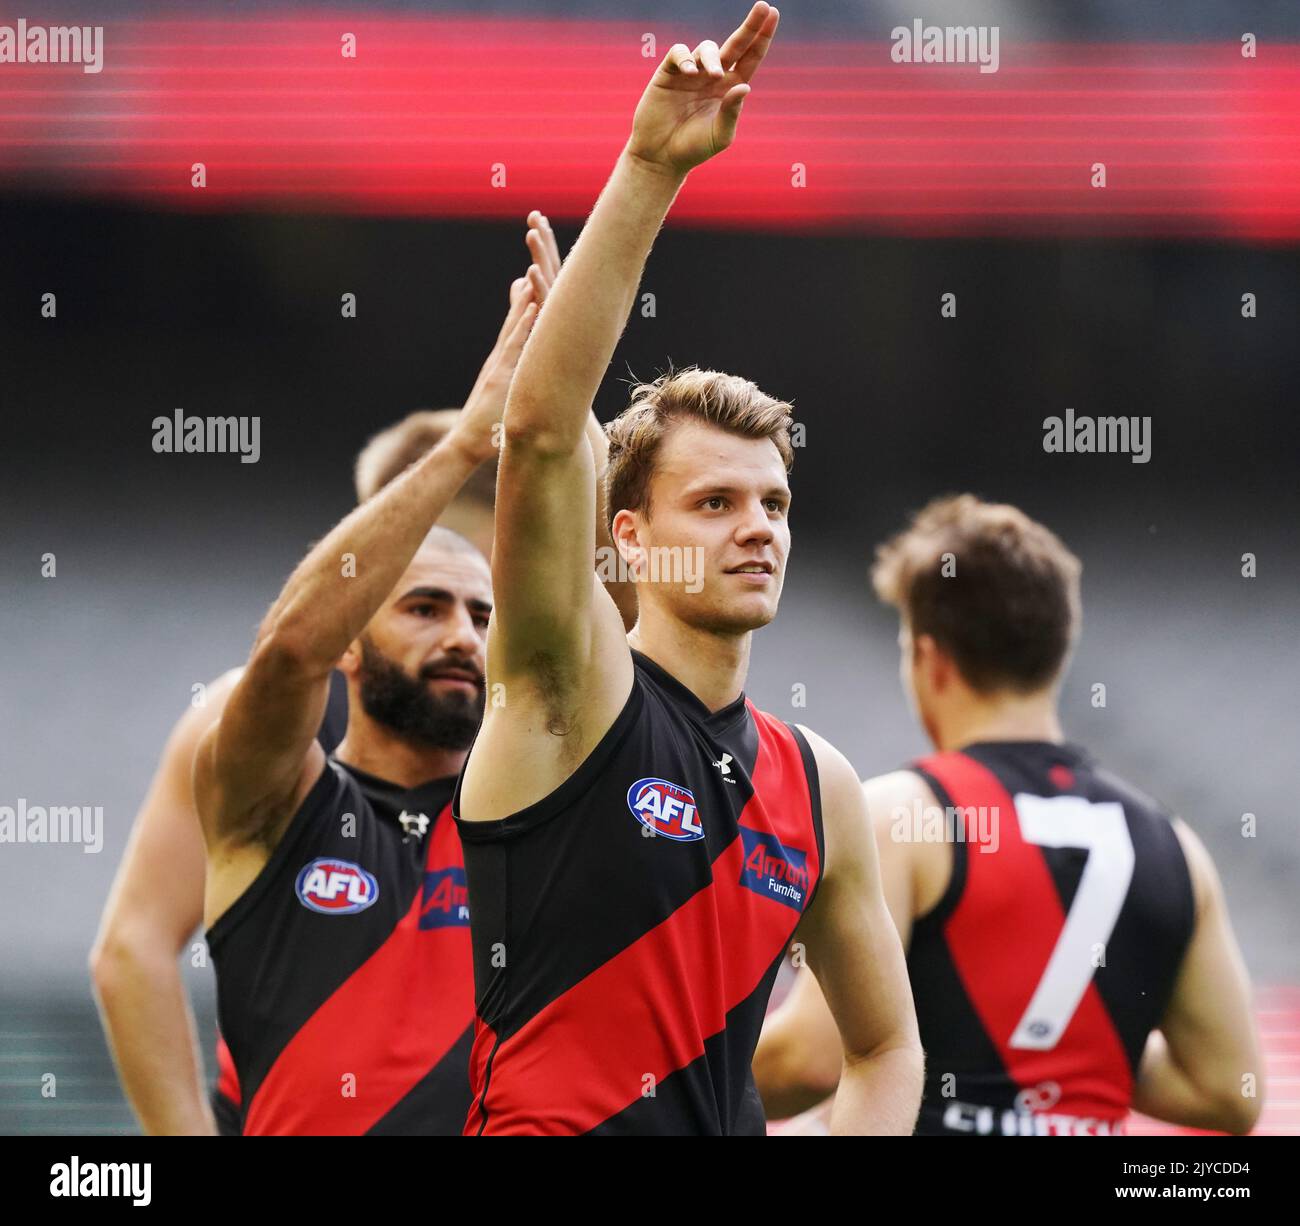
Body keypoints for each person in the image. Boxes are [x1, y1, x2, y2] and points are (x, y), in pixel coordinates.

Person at [455, 1, 922, 1136]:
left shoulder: (821, 789)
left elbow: (887, 1048)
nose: (756, 526)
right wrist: (650, 167)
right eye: (712, 502)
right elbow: (547, 435)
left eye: (773, 502)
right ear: (627, 537)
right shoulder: (566, 691)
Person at [91, 216, 632, 1133]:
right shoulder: (264, 749)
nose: (469, 617)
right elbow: (131, 951)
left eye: (484, 601)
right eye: (425, 598)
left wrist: (564, 389)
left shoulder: (546, 770)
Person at [754, 494, 1265, 1136]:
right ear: (1057, 653)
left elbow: (807, 1062)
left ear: (929, 660)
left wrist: (673, 1071)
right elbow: (1229, 1090)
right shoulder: (1175, 846)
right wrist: (1074, 1048)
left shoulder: (904, 816)